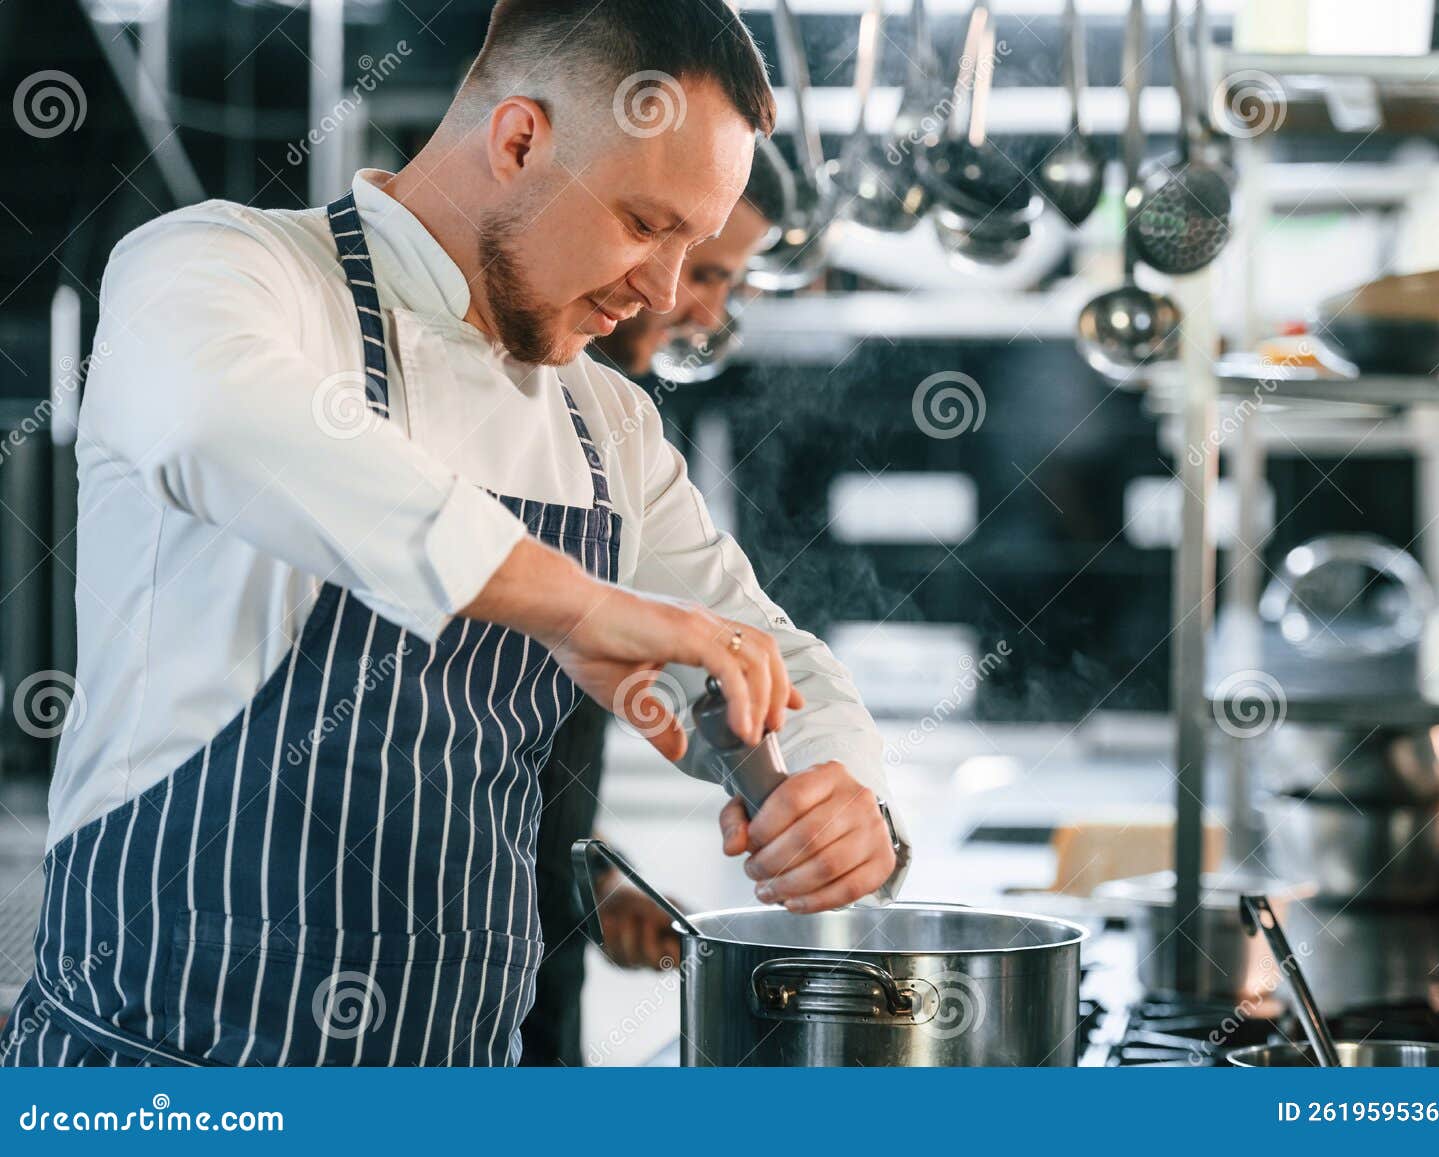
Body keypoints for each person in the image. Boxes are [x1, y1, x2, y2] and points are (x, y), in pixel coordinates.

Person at [0, 0, 904, 1069]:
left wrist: (840, 792)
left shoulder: (606, 424)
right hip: (157, 1072)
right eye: (645, 223)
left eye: (694, 247)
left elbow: (766, 653)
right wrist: (579, 603)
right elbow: (221, 420)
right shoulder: (225, 269)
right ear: (519, 139)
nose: (664, 291)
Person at [520, 144, 788, 1068]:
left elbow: (505, 757)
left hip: (527, 967)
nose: (700, 304)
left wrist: (590, 879)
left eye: (721, 279)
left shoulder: (620, 421)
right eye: (698, 264)